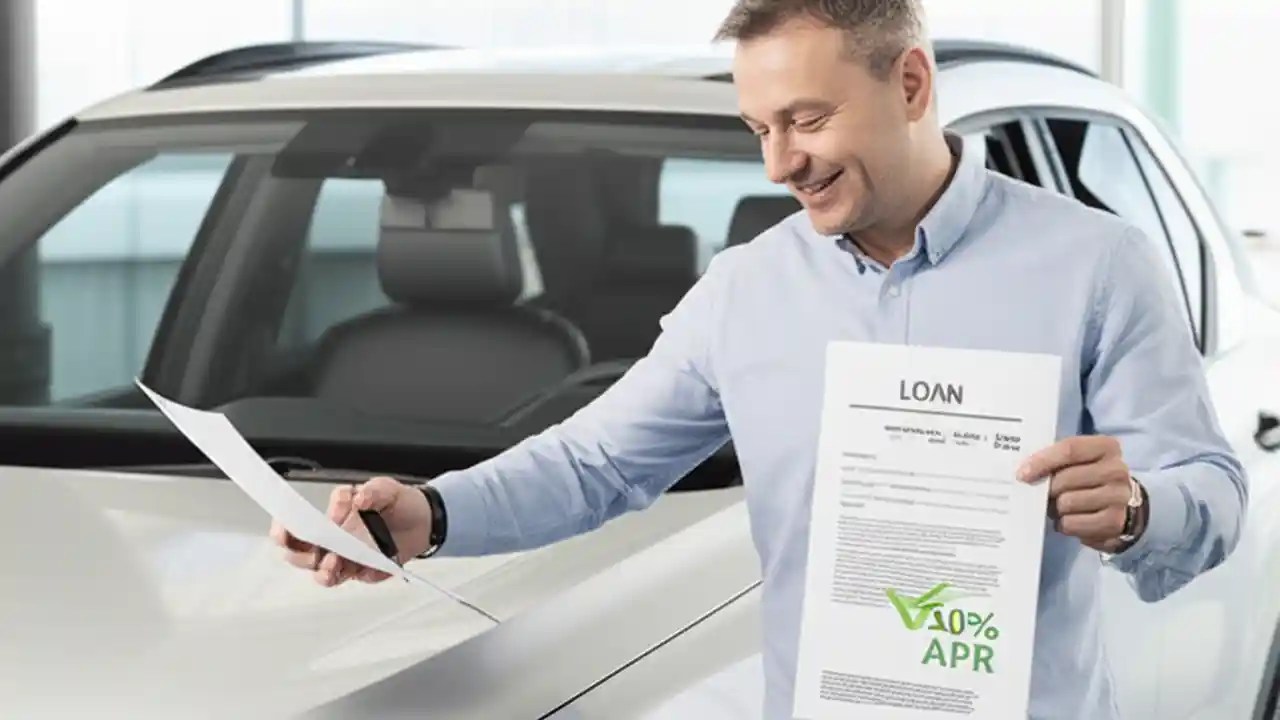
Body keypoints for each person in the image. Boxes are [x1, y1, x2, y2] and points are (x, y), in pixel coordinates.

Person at [270, 1, 1248, 717]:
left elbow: (1208, 495)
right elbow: (597, 462)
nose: (778, 165)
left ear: (909, 84)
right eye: (758, 130)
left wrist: (1133, 509)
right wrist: (432, 511)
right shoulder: (747, 289)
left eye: (806, 120)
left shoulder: (1093, 265)